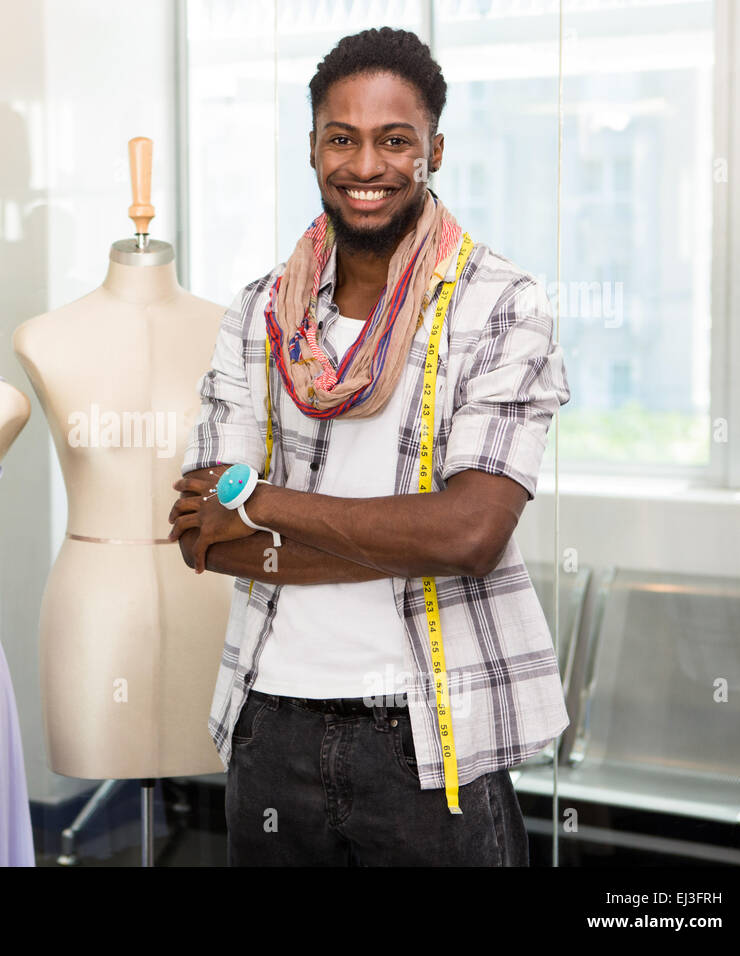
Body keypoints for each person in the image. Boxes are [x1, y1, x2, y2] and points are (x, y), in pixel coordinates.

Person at [168, 26, 571, 866]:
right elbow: (205, 534)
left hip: (430, 735)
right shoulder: (257, 312)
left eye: (396, 140)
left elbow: (470, 536)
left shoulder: (499, 305)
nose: (366, 165)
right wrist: (402, 535)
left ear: (435, 150)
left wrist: (266, 501)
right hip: (269, 723)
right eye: (341, 138)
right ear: (312, 148)